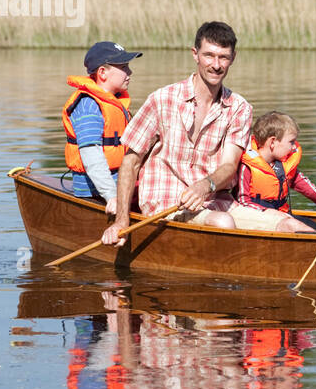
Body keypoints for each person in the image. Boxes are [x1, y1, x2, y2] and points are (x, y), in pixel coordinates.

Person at [101, 21, 266, 246]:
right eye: (209, 55)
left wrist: (205, 185)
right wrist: (121, 221)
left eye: (223, 57)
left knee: (290, 225)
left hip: (216, 201)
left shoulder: (239, 108)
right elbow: (131, 162)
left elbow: (229, 167)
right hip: (165, 204)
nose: (216, 65)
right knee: (223, 223)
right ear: (195, 54)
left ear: (233, 58)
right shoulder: (162, 99)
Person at [62, 41, 142, 212]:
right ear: (103, 73)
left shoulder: (116, 101)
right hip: (96, 193)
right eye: (124, 67)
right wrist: (112, 196)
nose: (130, 72)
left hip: (120, 182)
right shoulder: (88, 106)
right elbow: (91, 156)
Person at [236, 111, 316, 234]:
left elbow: (305, 185)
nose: (294, 147)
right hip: (257, 219)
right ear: (272, 142)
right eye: (291, 142)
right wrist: (270, 212)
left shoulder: (282, 164)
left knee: (311, 224)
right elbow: (242, 202)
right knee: (298, 227)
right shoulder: (246, 166)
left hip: (282, 216)